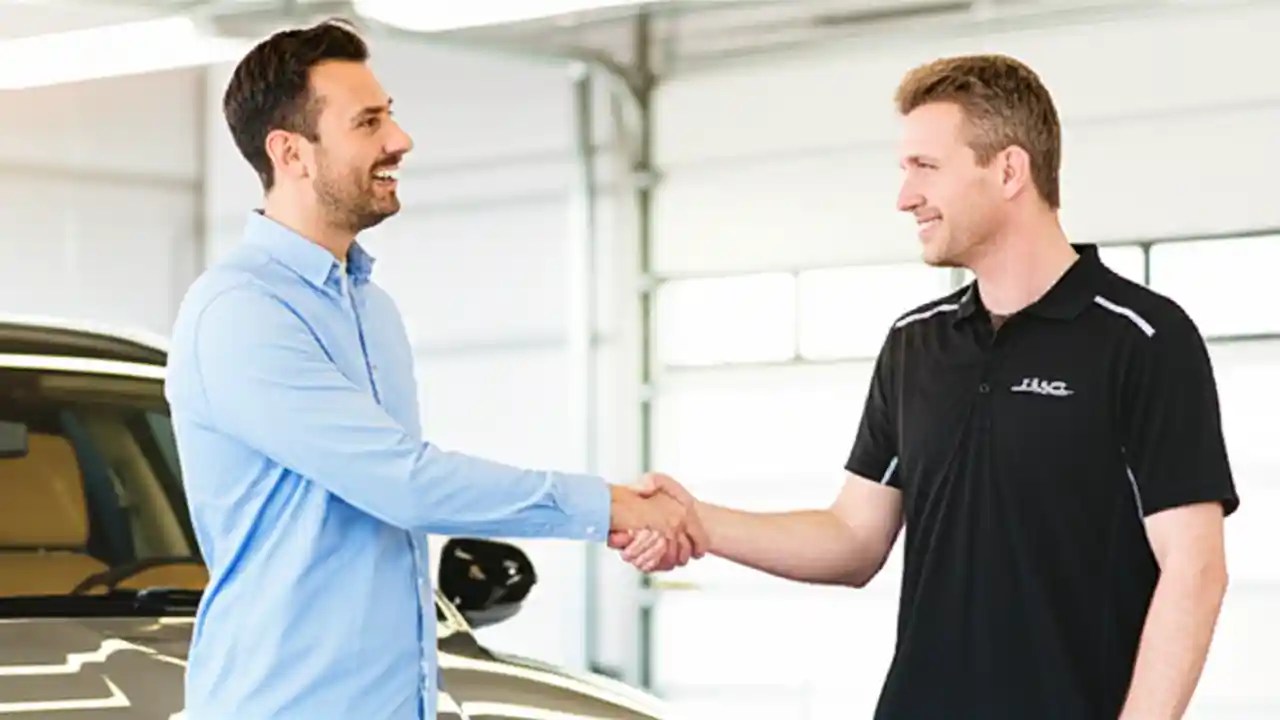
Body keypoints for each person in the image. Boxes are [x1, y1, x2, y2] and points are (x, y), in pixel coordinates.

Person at [613, 54, 1239, 719]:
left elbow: (1195, 571)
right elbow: (853, 539)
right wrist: (697, 521)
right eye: (904, 170)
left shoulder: (1142, 339)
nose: (904, 196)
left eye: (926, 168)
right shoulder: (916, 345)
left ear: (1008, 171)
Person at [163, 19, 704, 720]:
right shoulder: (239, 313)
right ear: (291, 152)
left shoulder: (372, 309)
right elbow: (404, 483)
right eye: (368, 122)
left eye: (391, 115)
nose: (400, 140)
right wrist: (610, 506)